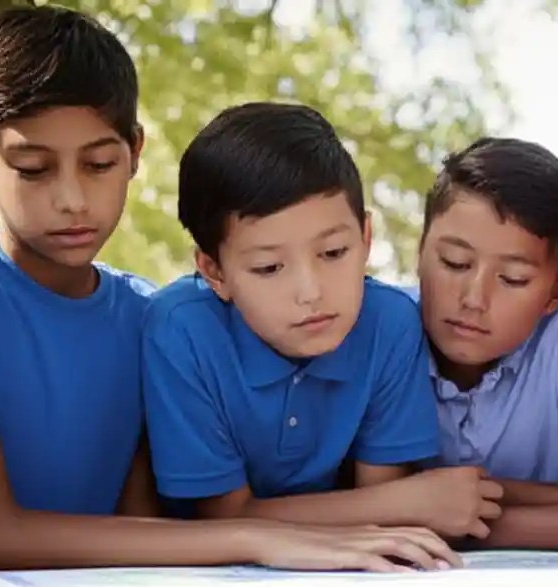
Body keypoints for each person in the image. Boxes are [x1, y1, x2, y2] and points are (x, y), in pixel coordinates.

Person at [0, 5, 458, 581]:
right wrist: (260, 537)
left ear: (134, 152)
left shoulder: (149, 317)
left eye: (98, 164)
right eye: (33, 168)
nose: (72, 197)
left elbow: (141, 526)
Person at [143, 102, 503, 541]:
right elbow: (222, 517)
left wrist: (397, 506)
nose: (311, 291)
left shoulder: (389, 325)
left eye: (333, 254)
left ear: (366, 238)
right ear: (214, 271)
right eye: (268, 268)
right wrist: (412, 502)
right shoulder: (181, 332)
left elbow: (382, 519)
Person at [411, 137, 558, 554]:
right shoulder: (384, 331)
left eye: (513, 279)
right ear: (419, 253)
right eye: (454, 263)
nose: (473, 298)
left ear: (556, 292)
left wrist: (466, 522)